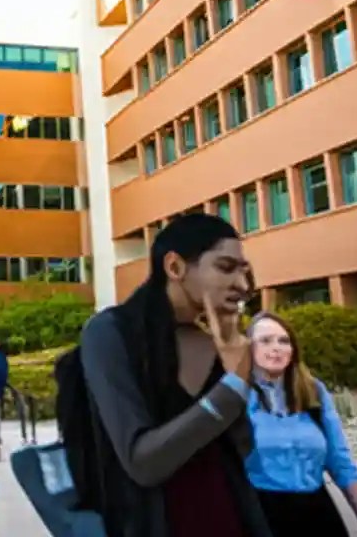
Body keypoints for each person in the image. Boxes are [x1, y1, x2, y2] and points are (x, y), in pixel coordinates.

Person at [78, 213, 271, 536]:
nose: (241, 284)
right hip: (150, 522)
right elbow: (143, 462)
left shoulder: (214, 342)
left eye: (243, 271)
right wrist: (233, 385)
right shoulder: (110, 333)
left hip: (229, 517)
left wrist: (232, 363)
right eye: (225, 268)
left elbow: (243, 449)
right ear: (175, 267)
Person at [243, 312, 357, 537]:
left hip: (317, 511)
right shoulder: (238, 395)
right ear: (249, 348)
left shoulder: (313, 391)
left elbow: (340, 460)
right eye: (265, 340)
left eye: (284, 340)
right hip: (263, 513)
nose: (276, 347)